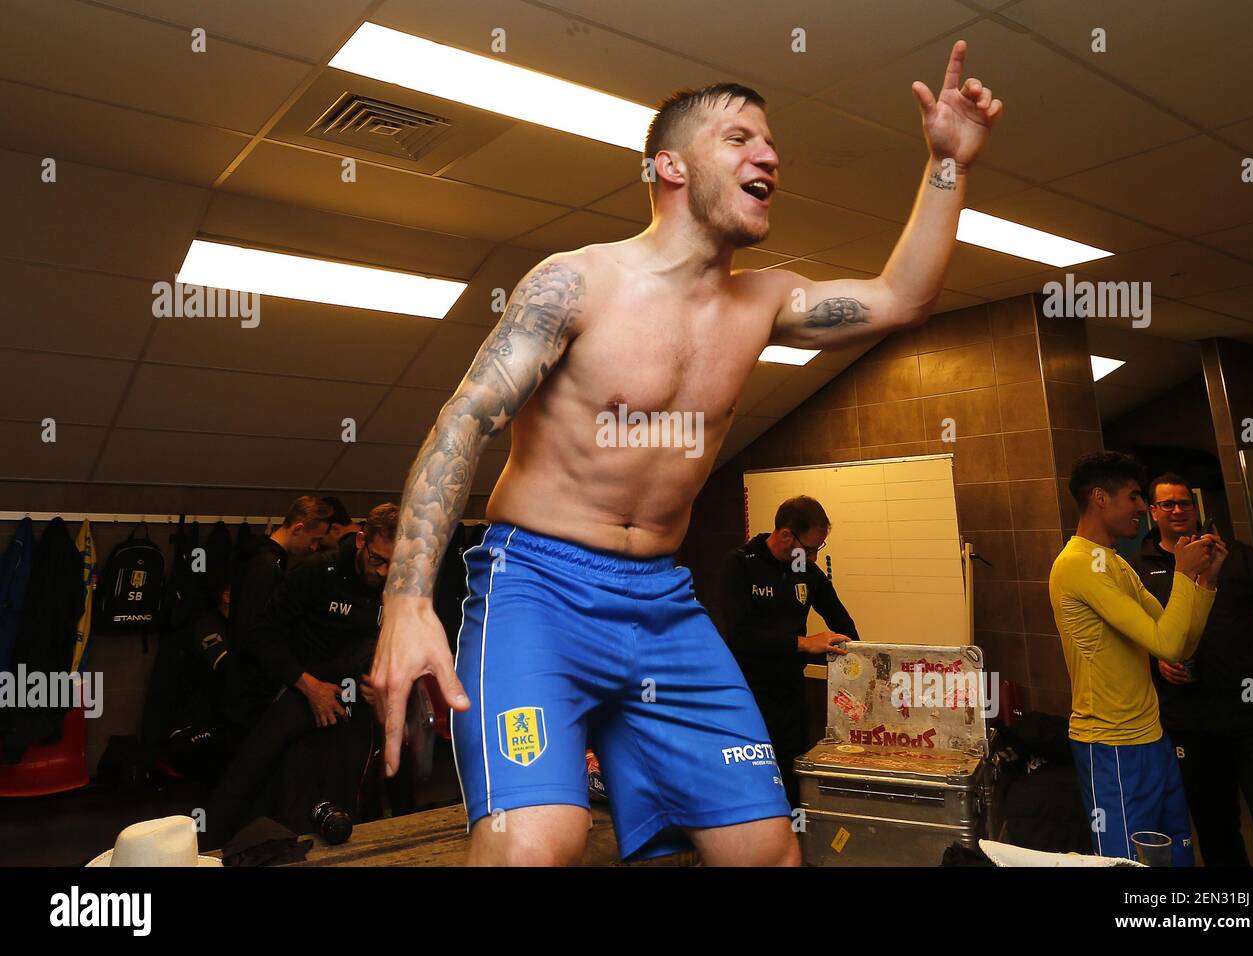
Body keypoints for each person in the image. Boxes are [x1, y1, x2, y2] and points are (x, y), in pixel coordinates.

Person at [371, 41, 1003, 866]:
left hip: (662, 603)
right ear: (668, 166)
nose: (768, 155)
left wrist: (947, 164)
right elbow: (464, 421)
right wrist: (407, 601)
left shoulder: (764, 301)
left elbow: (903, 298)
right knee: (536, 845)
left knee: (765, 852)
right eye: (740, 138)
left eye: (771, 144)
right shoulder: (576, 282)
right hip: (538, 588)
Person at [1049, 452, 1225, 865]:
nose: (1143, 509)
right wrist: (1183, 573)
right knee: (1126, 862)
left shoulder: (1116, 564)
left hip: (1151, 736)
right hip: (1110, 744)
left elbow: (1178, 643)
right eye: (1134, 497)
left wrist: (1205, 582)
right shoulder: (1078, 565)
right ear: (1100, 498)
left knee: (1174, 852)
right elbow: (1165, 643)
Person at [200, 504, 396, 849]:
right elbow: (262, 635)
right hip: (300, 688)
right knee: (255, 781)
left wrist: (379, 679)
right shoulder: (317, 572)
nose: (382, 572)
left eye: (393, 564)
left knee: (349, 796)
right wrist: (309, 687)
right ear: (362, 540)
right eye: (378, 559)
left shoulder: (396, 583)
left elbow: (386, 639)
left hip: (352, 702)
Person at [1133, 473, 1253, 865]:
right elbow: (1130, 635)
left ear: (1195, 508)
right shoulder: (1137, 567)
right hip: (1190, 720)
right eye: (1167, 504)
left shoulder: (1236, 556)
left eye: (1184, 503)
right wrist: (1156, 662)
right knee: (1215, 826)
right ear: (1153, 513)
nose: (1177, 510)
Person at [718, 496, 858, 805]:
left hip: (791, 692)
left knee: (793, 775)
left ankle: (795, 844)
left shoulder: (806, 571)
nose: (813, 558)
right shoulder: (741, 564)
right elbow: (740, 636)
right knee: (755, 776)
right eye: (809, 549)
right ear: (785, 535)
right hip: (747, 694)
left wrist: (861, 661)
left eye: (817, 550)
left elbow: (840, 618)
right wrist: (804, 642)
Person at [223, 495, 333, 728]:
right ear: (298, 528)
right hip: (250, 686)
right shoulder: (267, 567)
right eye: (313, 540)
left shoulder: (259, 555)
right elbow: (255, 631)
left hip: (243, 678)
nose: (313, 548)